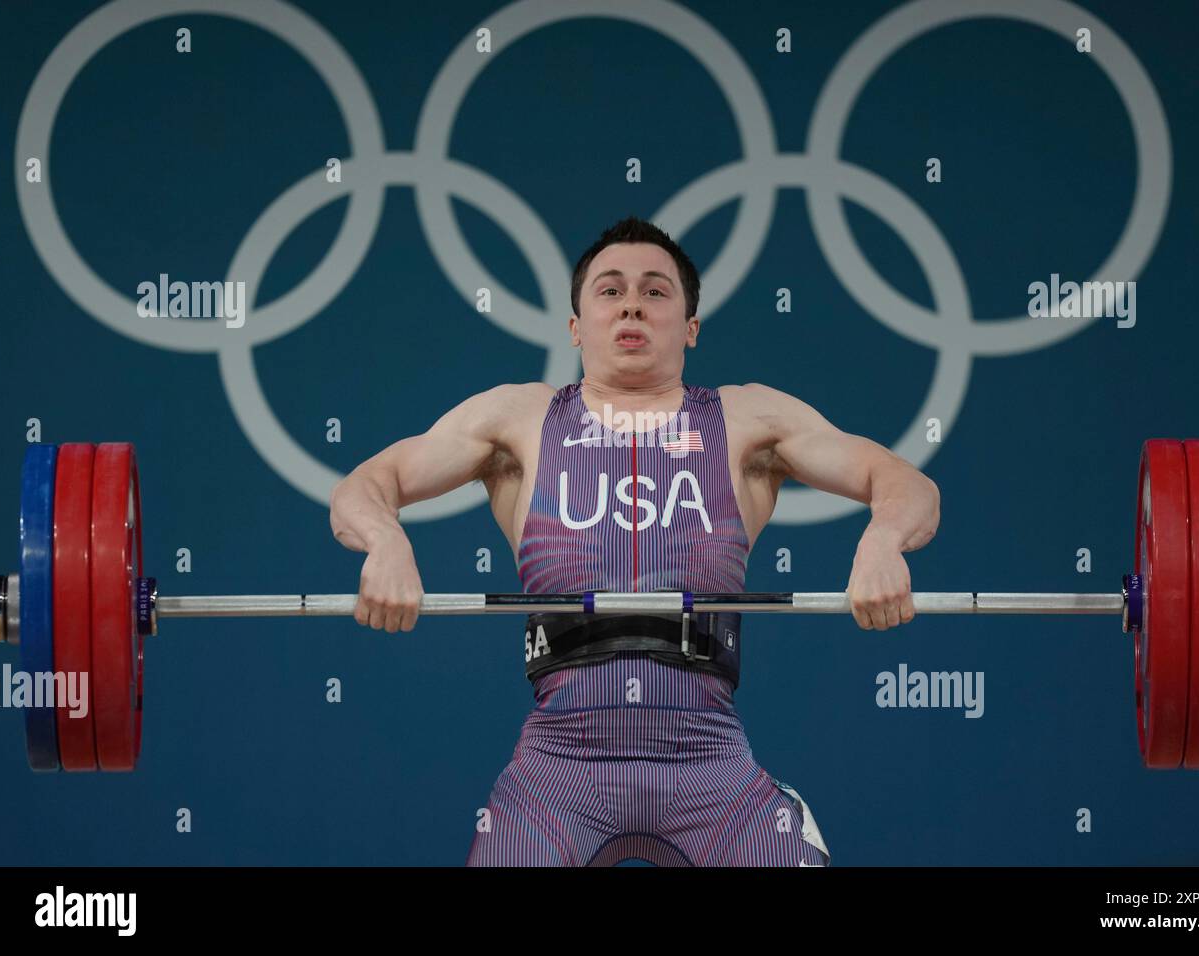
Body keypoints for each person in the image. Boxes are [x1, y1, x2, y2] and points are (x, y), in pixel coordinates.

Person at [328, 216, 941, 866]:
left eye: (655, 291)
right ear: (575, 326)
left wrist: (883, 540)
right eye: (609, 289)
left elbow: (904, 484)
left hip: (712, 773)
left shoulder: (748, 419)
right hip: (556, 776)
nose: (630, 304)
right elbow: (368, 485)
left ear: (690, 328)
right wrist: (386, 541)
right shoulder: (517, 418)